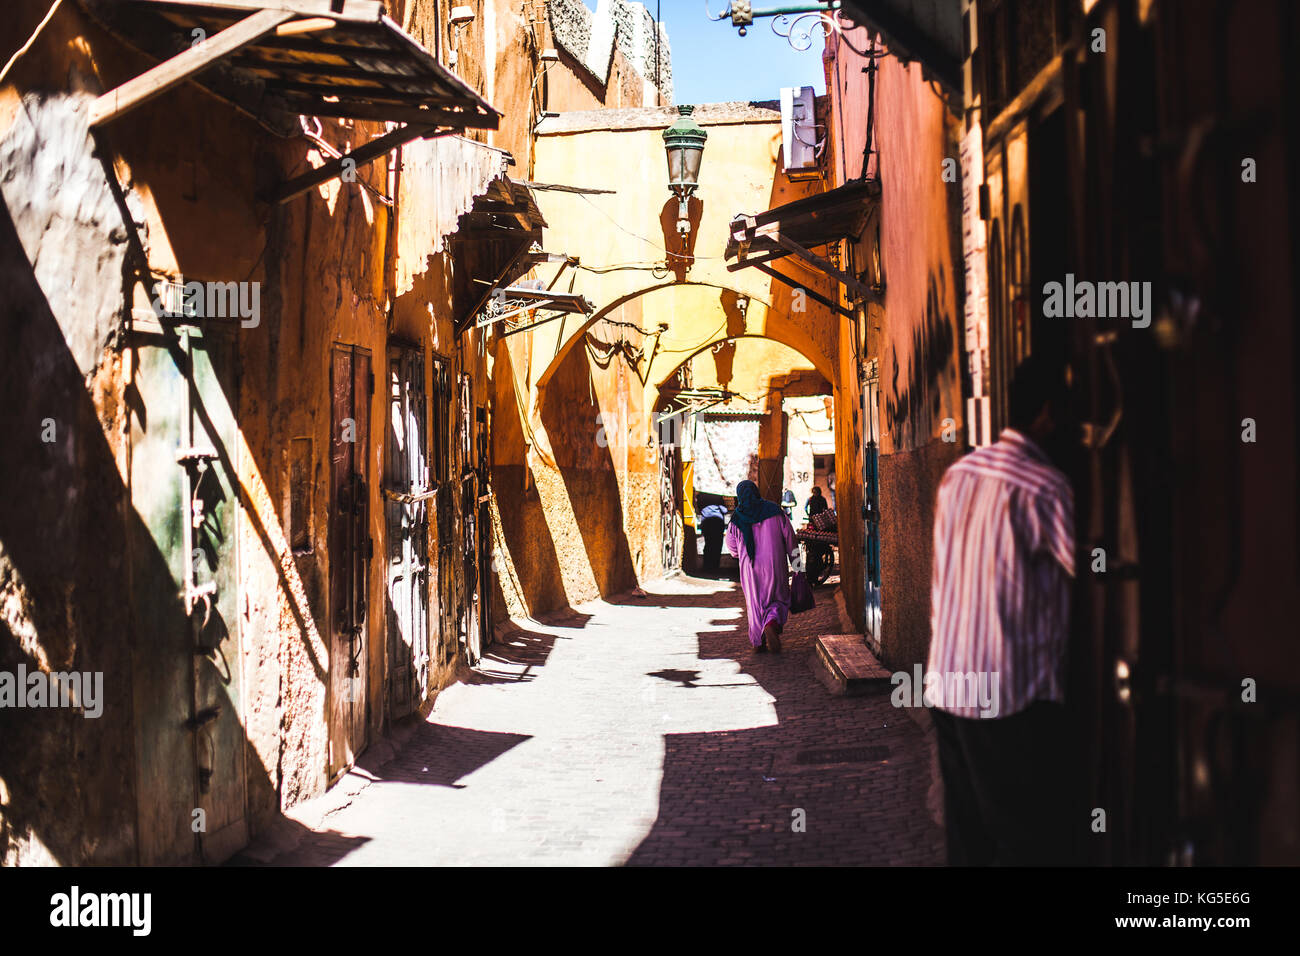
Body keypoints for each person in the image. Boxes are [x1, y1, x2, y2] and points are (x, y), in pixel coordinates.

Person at [927, 353, 1074, 866]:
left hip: (948, 682)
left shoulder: (959, 475)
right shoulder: (1044, 485)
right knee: (1022, 838)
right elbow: (1093, 573)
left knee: (969, 843)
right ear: (1050, 413)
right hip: (1006, 694)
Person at [726, 480, 797, 653]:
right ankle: (771, 622)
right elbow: (790, 539)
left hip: (750, 568)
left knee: (755, 603)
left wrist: (740, 553)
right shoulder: (775, 511)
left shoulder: (737, 518)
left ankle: (759, 641)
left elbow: (732, 547)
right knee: (778, 598)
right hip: (775, 564)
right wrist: (797, 566)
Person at [698, 501, 728, 573]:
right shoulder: (718, 497)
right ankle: (715, 565)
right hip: (717, 522)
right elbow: (725, 510)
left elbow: (698, 508)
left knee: (708, 544)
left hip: (706, 523)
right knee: (717, 545)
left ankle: (707, 565)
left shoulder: (701, 496)